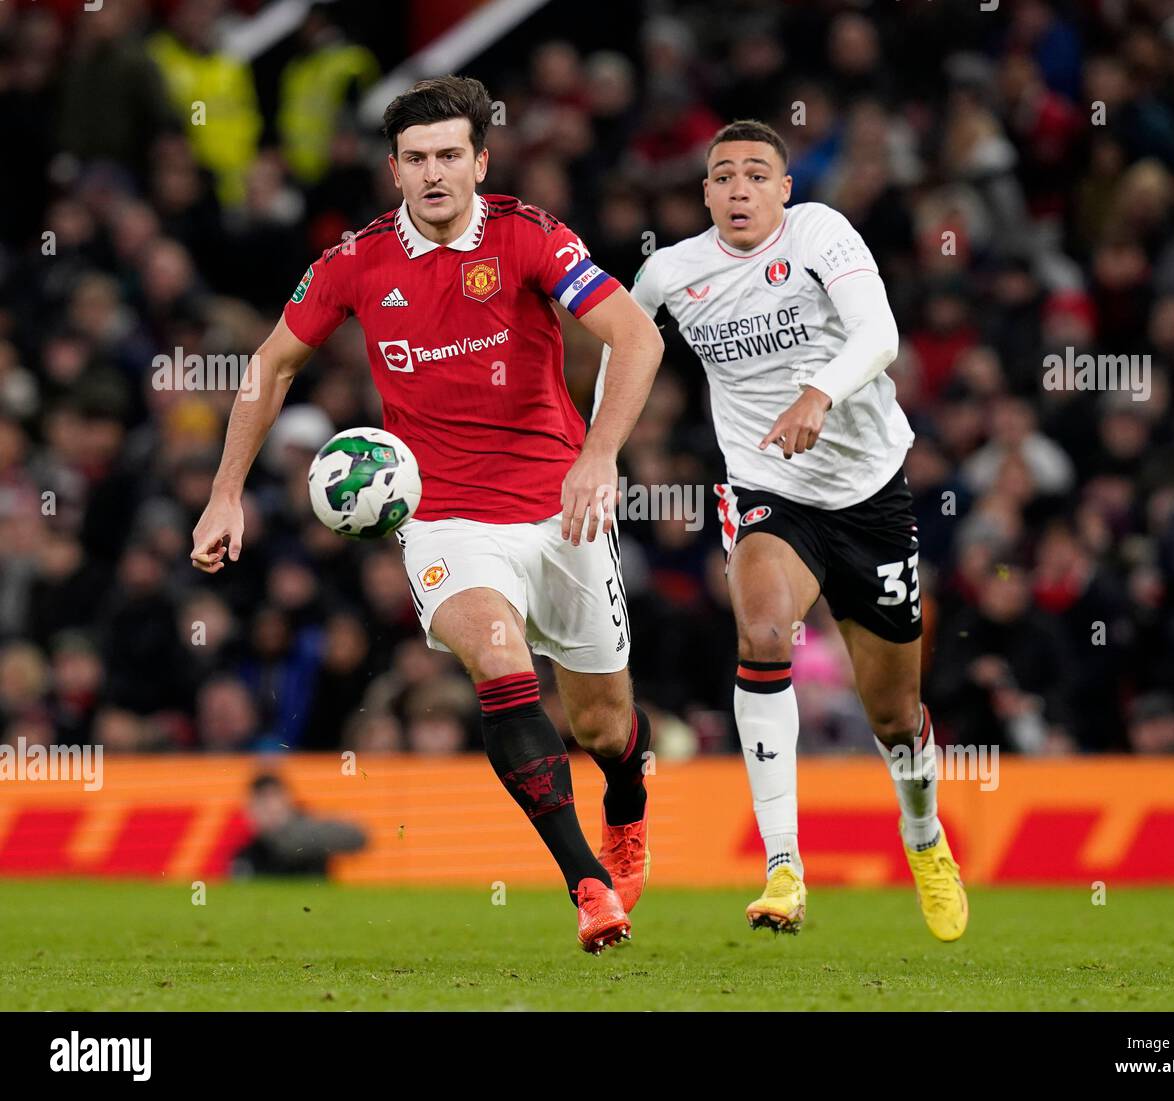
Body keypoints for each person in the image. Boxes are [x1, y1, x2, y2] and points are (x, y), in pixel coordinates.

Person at [191, 76, 664, 954]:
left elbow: (637, 335)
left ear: (480, 161)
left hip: (560, 508)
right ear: (394, 170)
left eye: (451, 155)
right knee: (494, 656)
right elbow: (270, 364)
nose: (435, 173)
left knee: (604, 725)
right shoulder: (356, 261)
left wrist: (599, 454)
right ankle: (587, 884)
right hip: (445, 518)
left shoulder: (529, 235)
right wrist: (225, 490)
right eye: (417, 159)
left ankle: (626, 809)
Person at [604, 119, 966, 940]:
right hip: (769, 488)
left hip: (871, 494)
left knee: (894, 714)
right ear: (703, 194)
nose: (739, 189)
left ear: (784, 188)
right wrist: (595, 452)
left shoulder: (821, 234)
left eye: (757, 175)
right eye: (723, 176)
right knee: (764, 631)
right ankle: (782, 866)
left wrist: (821, 393)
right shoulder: (671, 271)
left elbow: (880, 333)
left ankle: (924, 836)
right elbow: (622, 346)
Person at [230, 773, 367, 877]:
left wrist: (285, 831)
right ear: (251, 809)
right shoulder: (248, 850)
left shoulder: (310, 828)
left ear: (287, 800)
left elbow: (358, 837)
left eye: (274, 800)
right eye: (263, 804)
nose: (271, 809)